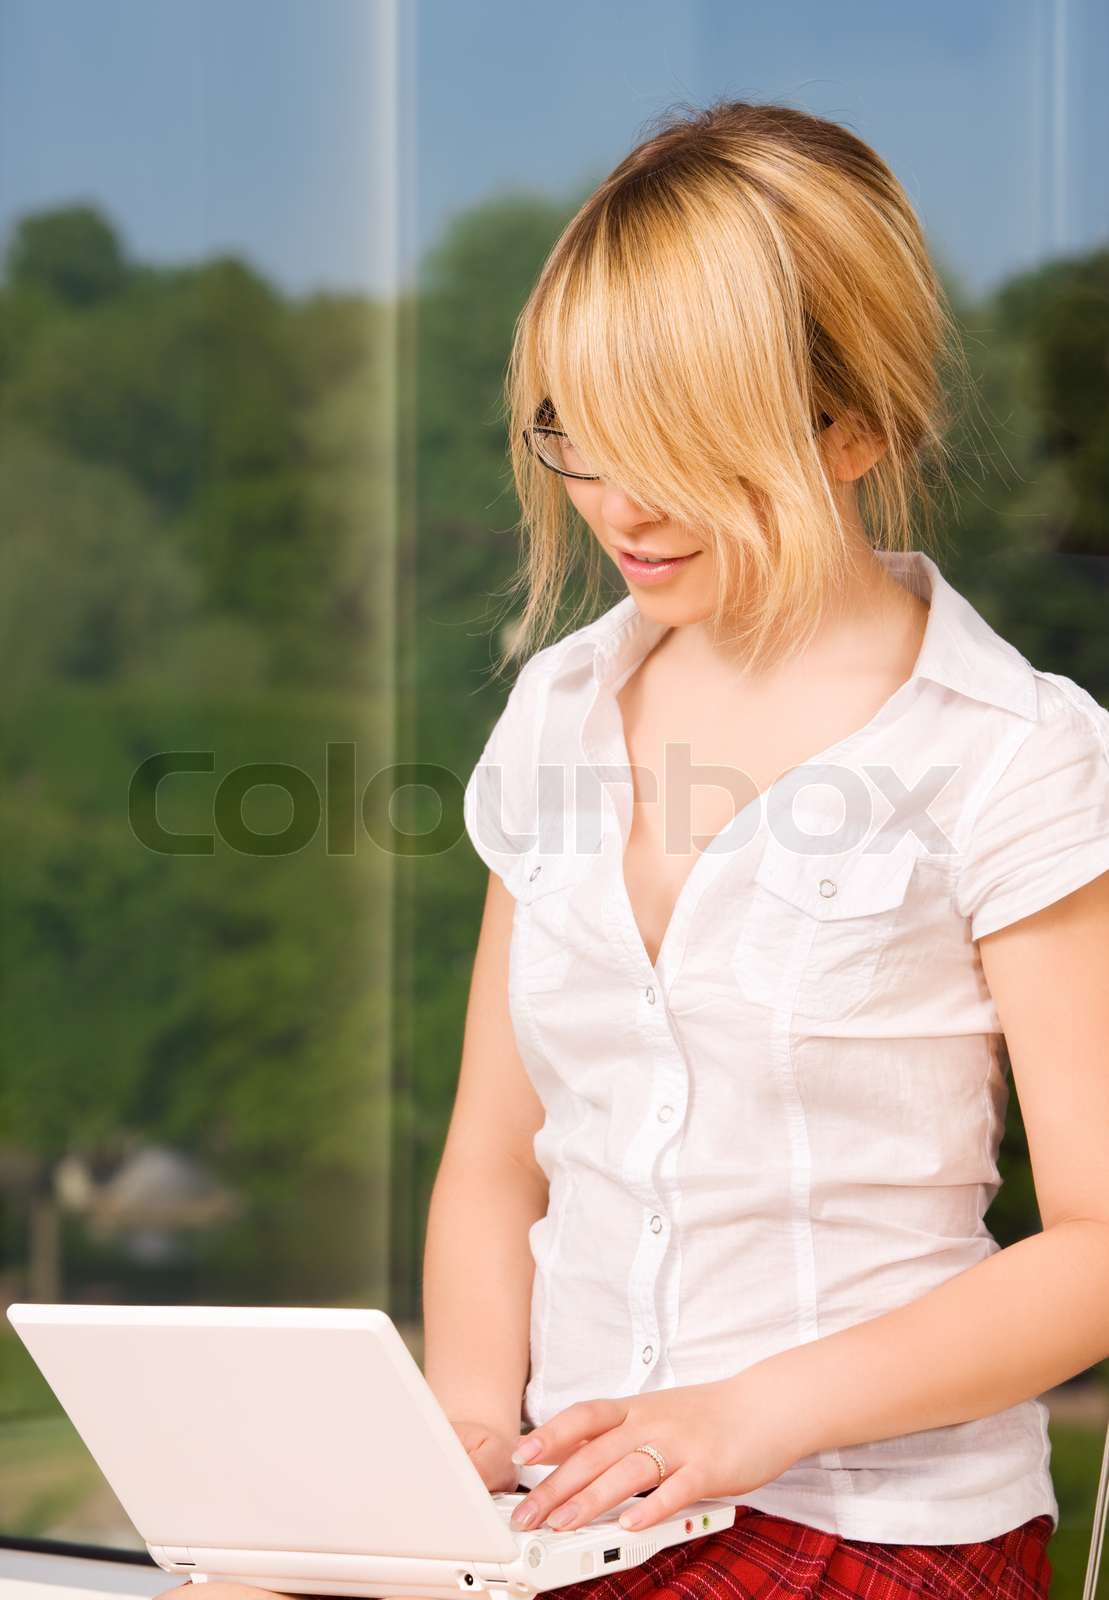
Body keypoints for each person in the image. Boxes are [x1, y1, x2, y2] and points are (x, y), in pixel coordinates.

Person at [172, 97, 1109, 1600]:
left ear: (855, 426)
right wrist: (474, 1434)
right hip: (578, 1509)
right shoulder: (557, 709)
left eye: (681, 450)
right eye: (578, 438)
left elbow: (1097, 1245)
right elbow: (494, 1161)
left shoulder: (1012, 750)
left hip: (871, 1527)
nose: (618, 504)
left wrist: (742, 1419)